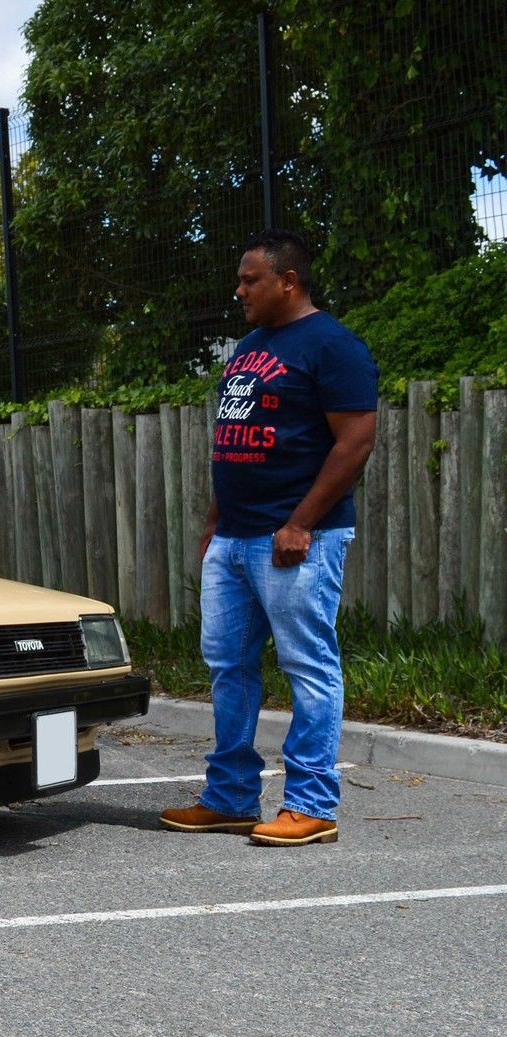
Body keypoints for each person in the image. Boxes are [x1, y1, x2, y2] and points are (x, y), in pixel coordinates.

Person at [161, 230, 378, 846]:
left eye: (250, 279)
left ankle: (312, 804)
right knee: (227, 665)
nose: (239, 290)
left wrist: (301, 522)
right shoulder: (249, 348)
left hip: (296, 539)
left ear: (288, 281)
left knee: (308, 665)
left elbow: (356, 441)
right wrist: (214, 523)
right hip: (234, 537)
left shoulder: (333, 345)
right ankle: (230, 796)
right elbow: (232, 443)